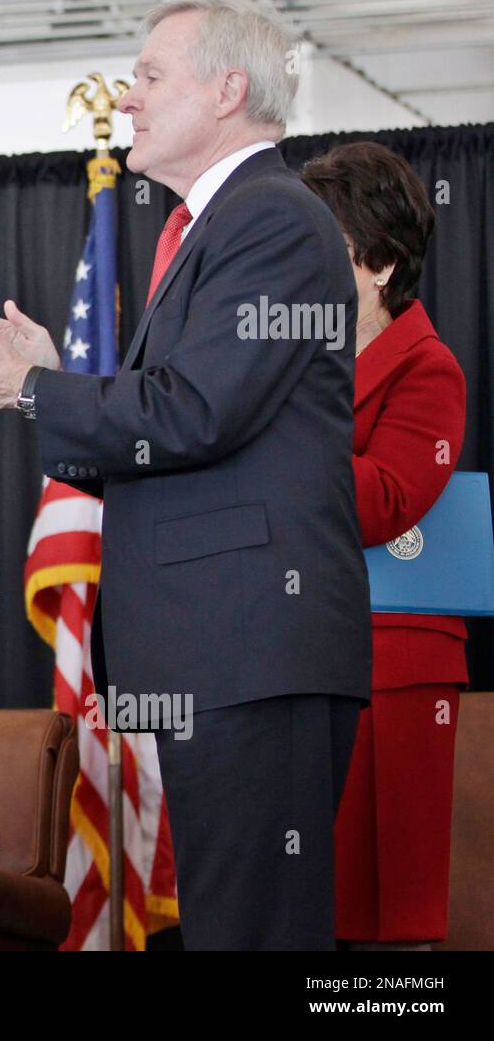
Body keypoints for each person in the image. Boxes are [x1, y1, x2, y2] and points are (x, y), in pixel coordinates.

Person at [0, 0, 371, 950]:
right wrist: (54, 379)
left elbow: (195, 413)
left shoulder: (270, 218)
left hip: (255, 649)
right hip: (224, 654)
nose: (129, 96)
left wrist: (32, 387)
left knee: (258, 932)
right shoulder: (215, 224)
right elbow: (179, 429)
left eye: (150, 75)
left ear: (229, 89)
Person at [301, 141, 468, 950]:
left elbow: (388, 503)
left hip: (394, 667)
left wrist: (284, 436)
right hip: (299, 655)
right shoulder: (291, 357)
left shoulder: (428, 368)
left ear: (380, 262)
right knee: (309, 908)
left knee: (388, 918)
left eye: (318, 247)